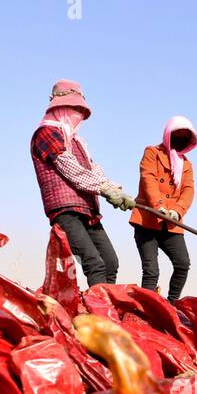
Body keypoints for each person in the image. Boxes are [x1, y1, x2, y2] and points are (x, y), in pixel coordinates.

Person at [30, 79, 134, 286]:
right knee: (94, 263)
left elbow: (92, 169)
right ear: (60, 108)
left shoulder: (78, 141)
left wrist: (113, 187)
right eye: (72, 108)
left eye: (78, 109)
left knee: (110, 262)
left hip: (87, 208)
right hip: (65, 210)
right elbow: (70, 168)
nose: (76, 114)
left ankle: (106, 307)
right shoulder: (46, 133)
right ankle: (100, 314)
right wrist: (103, 188)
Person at [130, 116, 197, 301]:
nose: (180, 139)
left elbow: (188, 190)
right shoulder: (152, 153)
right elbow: (148, 179)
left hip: (171, 223)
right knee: (152, 270)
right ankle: (147, 309)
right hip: (147, 219)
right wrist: (158, 206)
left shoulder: (187, 165)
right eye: (177, 134)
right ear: (168, 134)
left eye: (185, 136)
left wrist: (177, 210)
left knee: (182, 263)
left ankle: (171, 304)